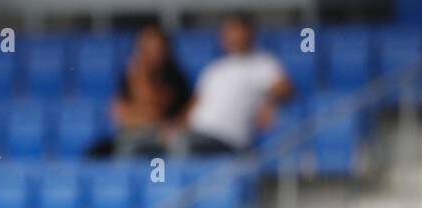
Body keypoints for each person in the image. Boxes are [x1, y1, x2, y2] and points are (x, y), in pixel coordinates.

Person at [174, 14, 292, 155]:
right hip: (196, 133)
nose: (233, 37)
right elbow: (194, 104)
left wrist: (270, 103)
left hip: (228, 139)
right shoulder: (214, 68)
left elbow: (284, 88)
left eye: (238, 32)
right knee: (146, 144)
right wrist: (174, 128)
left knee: (180, 146)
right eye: (229, 32)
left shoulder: (263, 63)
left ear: (250, 34)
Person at [92, 24, 191, 157]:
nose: (153, 51)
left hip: (164, 137)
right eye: (147, 46)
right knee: (96, 152)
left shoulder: (175, 77)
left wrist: (141, 79)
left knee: (131, 147)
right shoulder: (129, 75)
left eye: (156, 46)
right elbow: (118, 111)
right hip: (135, 133)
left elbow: (156, 111)